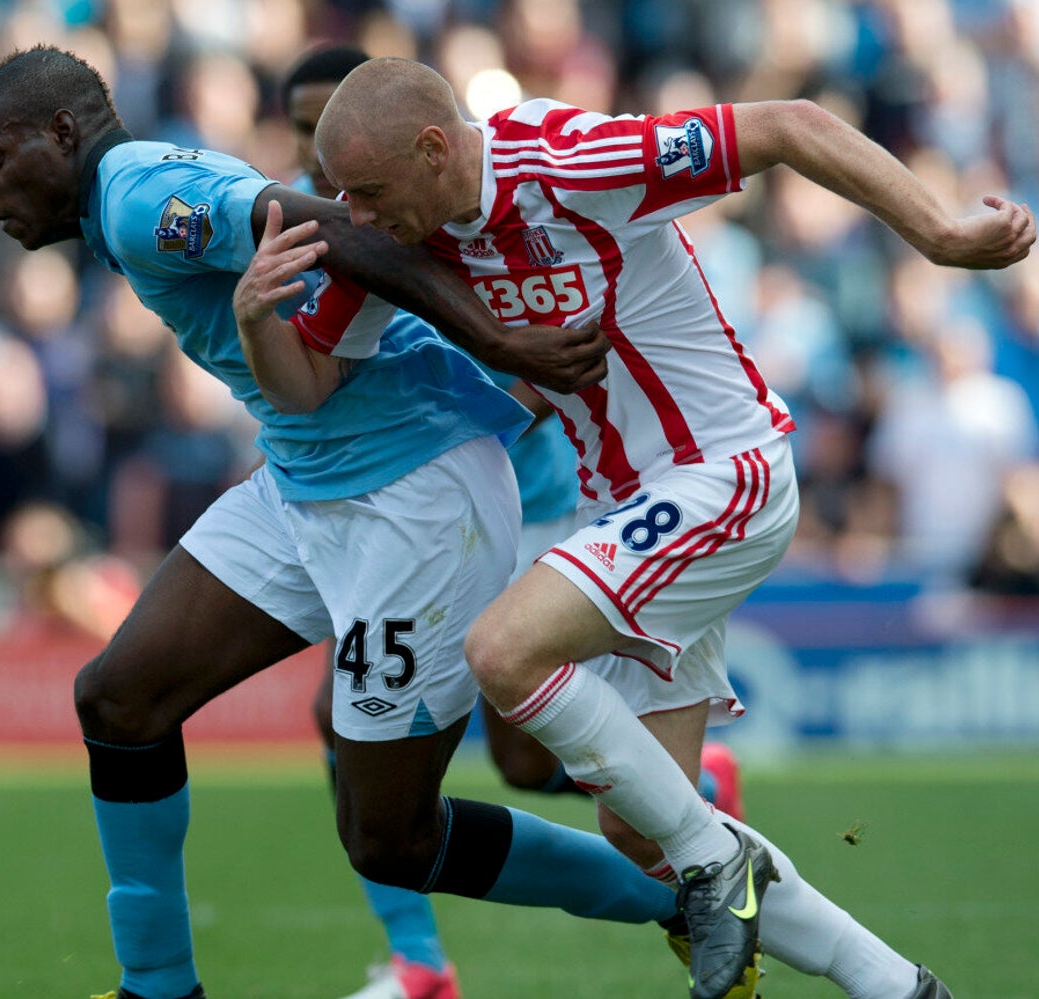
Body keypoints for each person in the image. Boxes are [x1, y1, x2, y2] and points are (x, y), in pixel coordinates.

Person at [263, 56, 1032, 999]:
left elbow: (789, 122)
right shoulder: (415, 235)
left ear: (433, 148)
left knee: (505, 651)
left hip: (724, 470)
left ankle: (721, 866)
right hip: (629, 514)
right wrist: (255, 309)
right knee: (643, 829)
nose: (363, 218)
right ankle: (897, 986)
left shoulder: (567, 160)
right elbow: (301, 384)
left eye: (372, 193)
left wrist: (943, 234)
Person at [0, 46, 687, 999]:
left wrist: (498, 340)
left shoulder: (139, 197)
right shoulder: (132, 200)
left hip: (411, 498)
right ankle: (157, 988)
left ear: (61, 134)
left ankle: (686, 895)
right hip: (307, 479)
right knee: (119, 697)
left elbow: (340, 234)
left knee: (391, 839)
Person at [276, 45, 748, 999]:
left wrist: (502, 394)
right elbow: (313, 376)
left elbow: (567, 318)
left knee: (527, 759)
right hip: (395, 506)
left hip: (520, 494)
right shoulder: (334, 212)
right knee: (343, 715)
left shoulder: (457, 197)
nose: (328, 175)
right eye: (303, 135)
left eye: (338, 135)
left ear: (421, 140)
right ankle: (419, 961)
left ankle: (693, 805)